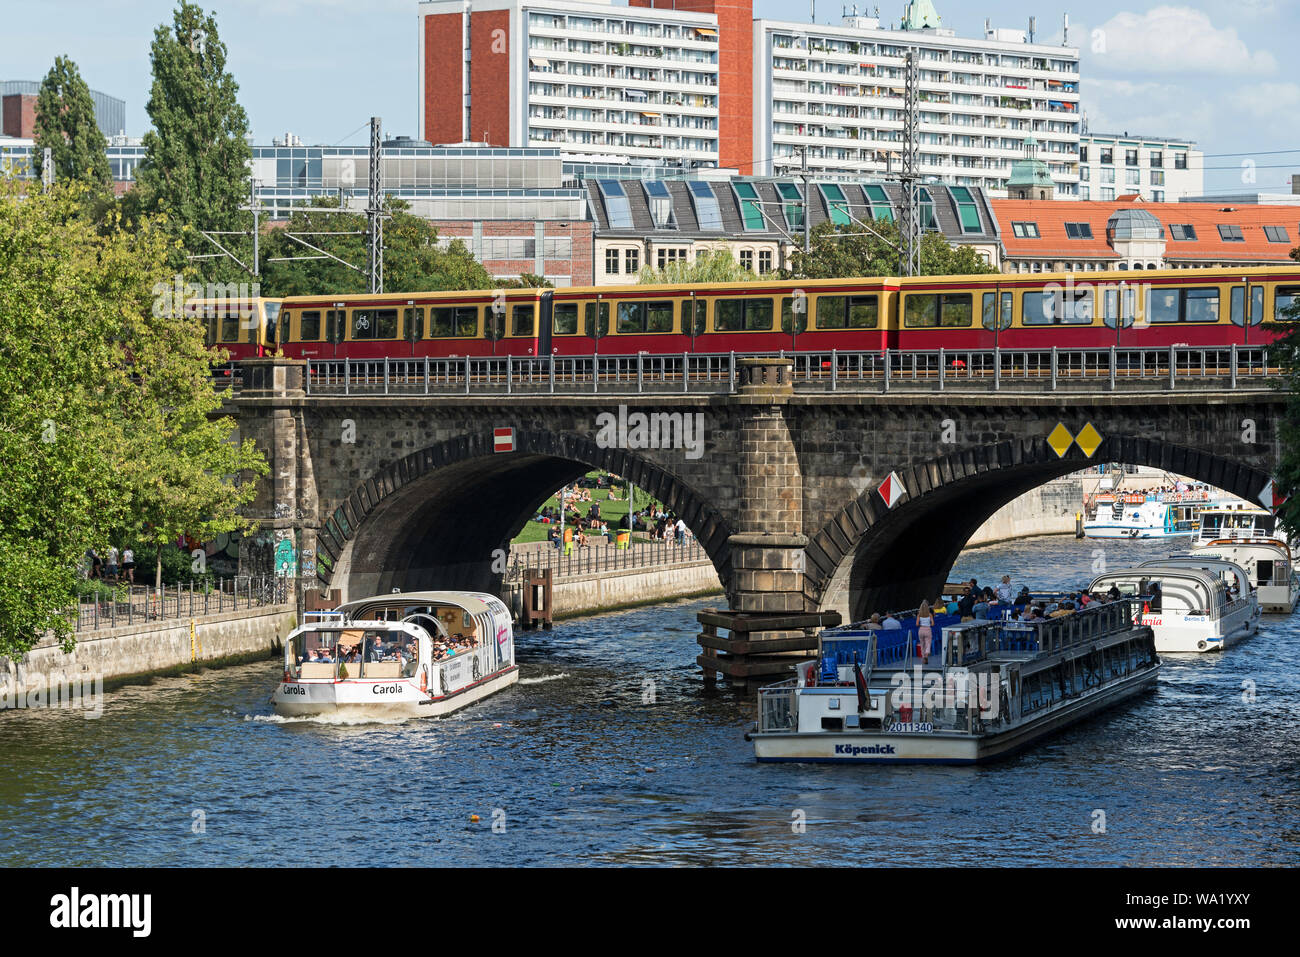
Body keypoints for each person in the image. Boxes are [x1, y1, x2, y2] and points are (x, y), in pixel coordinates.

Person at [916, 600, 934, 666]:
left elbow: (917, 624)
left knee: (922, 644)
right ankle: (927, 653)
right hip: (928, 629)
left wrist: (921, 624)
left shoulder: (919, 615)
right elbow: (933, 624)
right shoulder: (930, 614)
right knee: (928, 643)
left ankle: (923, 657)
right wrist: (929, 624)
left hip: (921, 629)